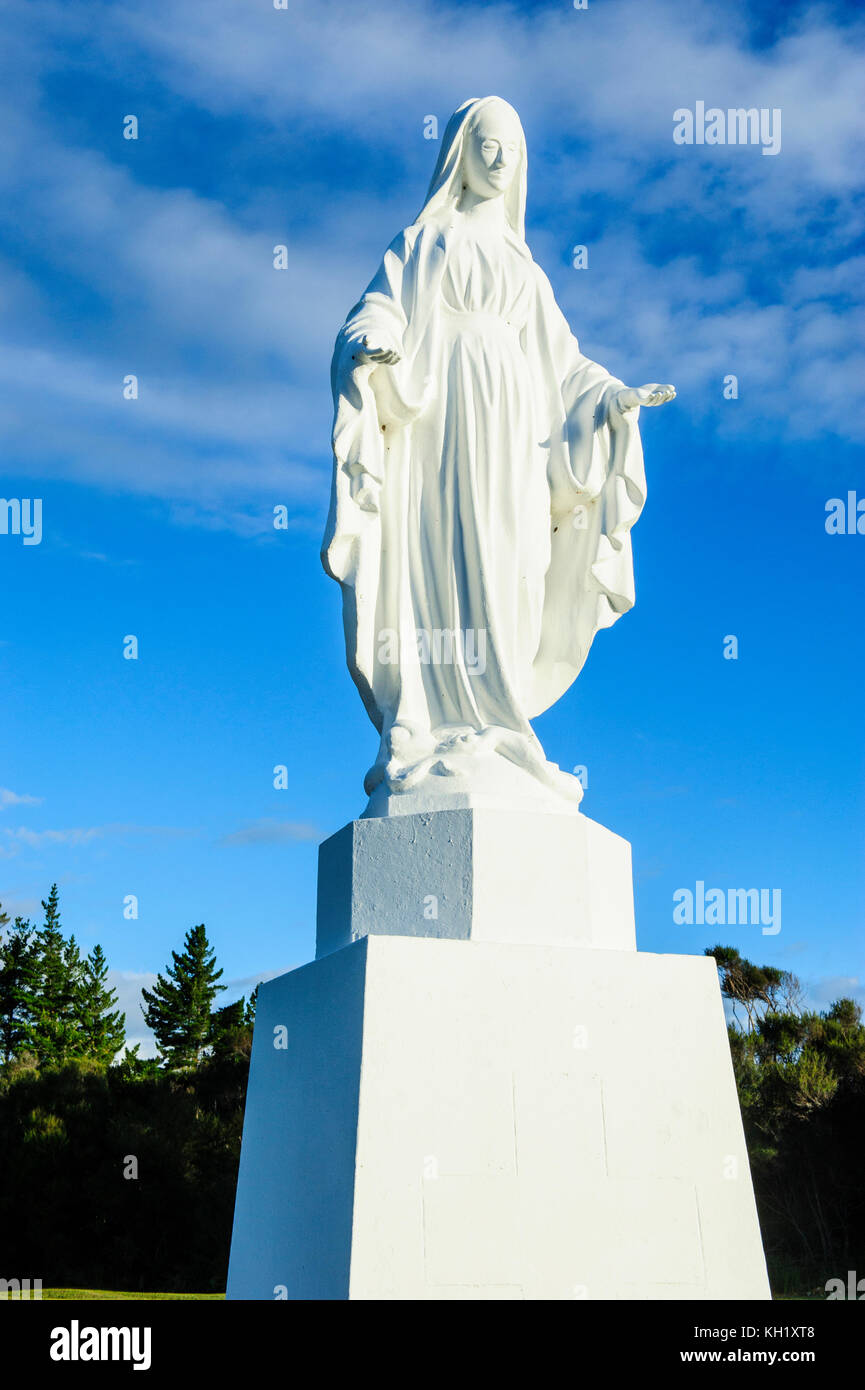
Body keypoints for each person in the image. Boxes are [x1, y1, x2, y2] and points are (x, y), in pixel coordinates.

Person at [322, 96, 675, 815]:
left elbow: (565, 364)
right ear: (459, 151)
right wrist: (370, 342)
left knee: (514, 559)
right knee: (442, 555)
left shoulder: (527, 268)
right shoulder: (421, 244)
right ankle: (433, 721)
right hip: (438, 419)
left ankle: (497, 719)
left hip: (514, 430)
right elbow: (377, 308)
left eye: (511, 146)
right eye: (485, 143)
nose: (498, 157)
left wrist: (611, 399)